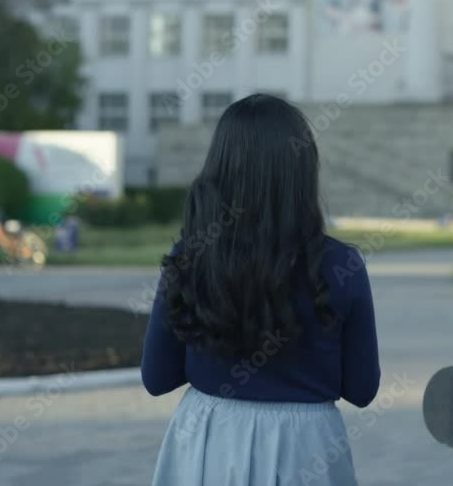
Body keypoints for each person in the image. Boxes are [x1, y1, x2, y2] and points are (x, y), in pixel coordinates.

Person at [141, 94, 381, 486]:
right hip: (307, 448)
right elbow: (362, 388)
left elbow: (156, 377)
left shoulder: (192, 256)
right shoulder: (342, 266)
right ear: (302, 170)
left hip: (209, 440)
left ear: (220, 166)